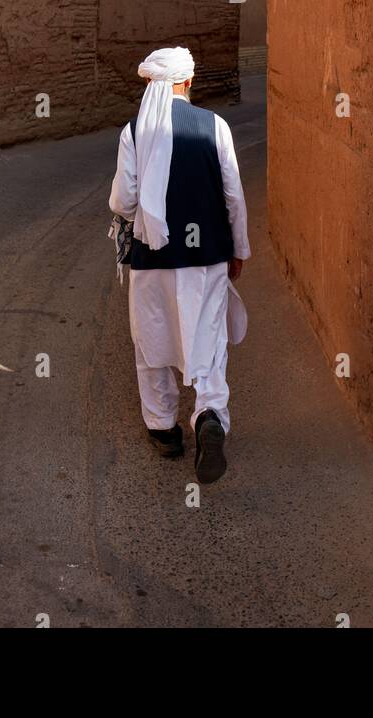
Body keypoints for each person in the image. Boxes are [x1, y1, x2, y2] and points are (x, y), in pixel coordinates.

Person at [108, 46, 250, 484]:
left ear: (153, 84)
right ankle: (209, 415)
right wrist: (238, 249)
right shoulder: (215, 126)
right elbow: (233, 196)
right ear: (188, 83)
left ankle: (164, 428)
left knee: (152, 340)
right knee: (207, 337)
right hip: (204, 258)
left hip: (152, 258)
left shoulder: (134, 131)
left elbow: (124, 201)